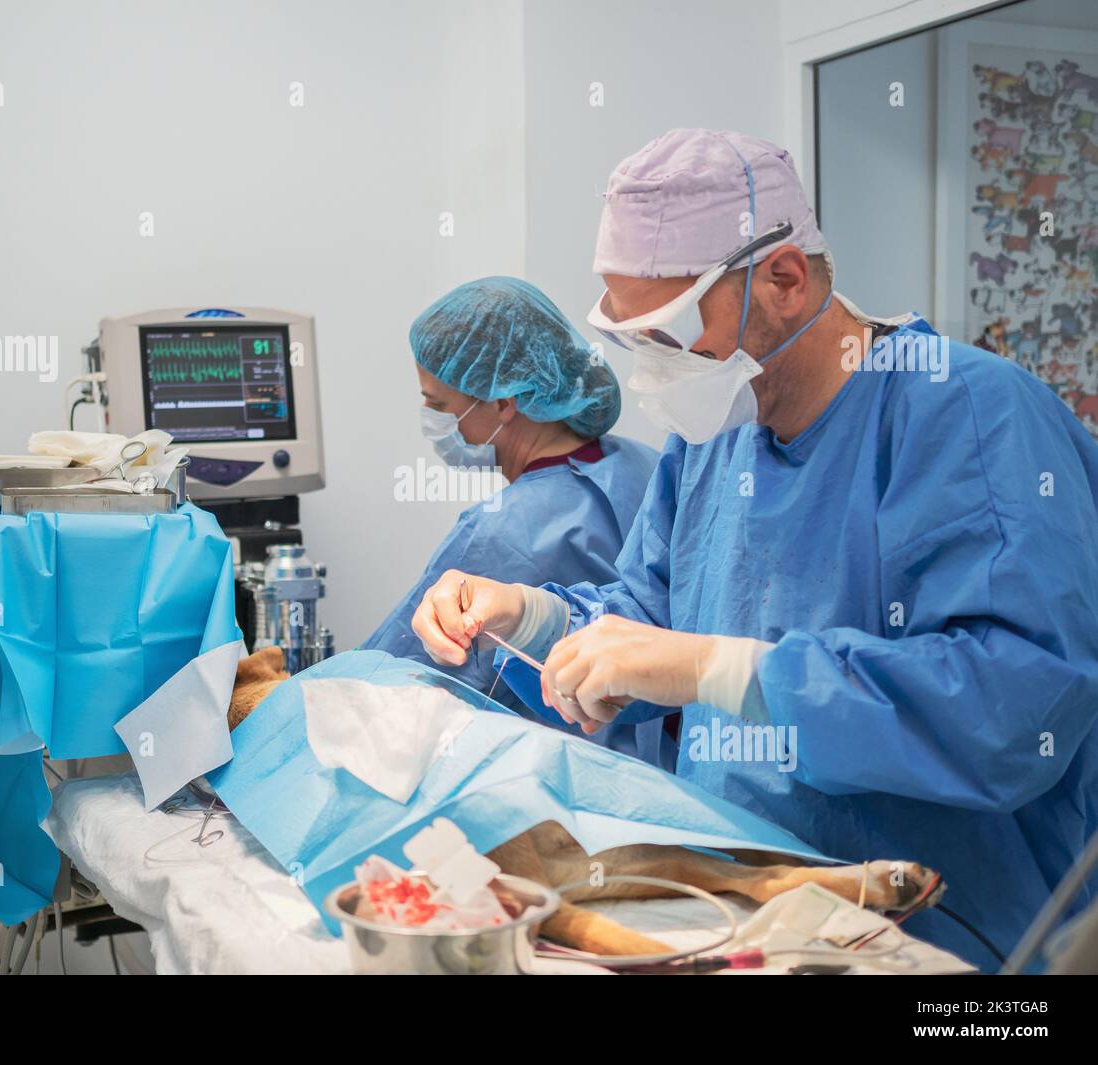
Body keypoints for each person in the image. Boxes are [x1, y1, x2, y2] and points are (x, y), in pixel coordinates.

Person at [410, 130, 1098, 970]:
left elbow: (1014, 708)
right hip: (742, 920)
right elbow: (643, 627)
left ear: (783, 278)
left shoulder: (969, 415)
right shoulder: (711, 441)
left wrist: (728, 673)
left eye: (668, 330)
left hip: (949, 940)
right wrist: (534, 616)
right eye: (629, 337)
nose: (651, 370)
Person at [362, 276, 656, 748]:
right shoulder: (642, 462)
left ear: (503, 402)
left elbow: (384, 696)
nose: (431, 420)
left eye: (439, 405)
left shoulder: (504, 533)